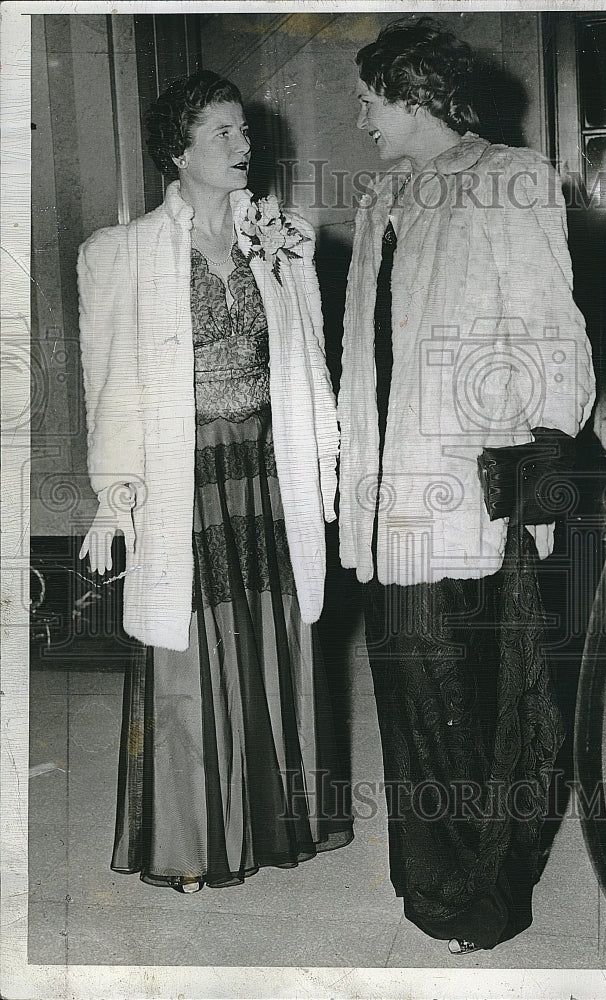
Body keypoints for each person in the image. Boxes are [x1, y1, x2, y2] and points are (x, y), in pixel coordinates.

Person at [338, 19, 595, 952]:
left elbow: (548, 325)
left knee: (479, 695)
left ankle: (485, 892)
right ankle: (436, 881)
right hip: (385, 486)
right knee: (413, 692)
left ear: (412, 97)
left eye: (371, 102)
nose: (362, 119)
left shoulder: (510, 177)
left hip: (465, 479)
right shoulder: (378, 199)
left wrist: (541, 457)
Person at [77, 70, 352, 892]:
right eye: (224, 134)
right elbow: (110, 379)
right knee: (189, 647)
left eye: (245, 131)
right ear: (178, 150)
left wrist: (328, 463)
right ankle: (194, 840)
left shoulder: (285, 240)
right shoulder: (120, 253)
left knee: (272, 631)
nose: (244, 146)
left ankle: (276, 821)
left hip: (266, 467)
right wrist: (113, 490)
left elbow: (309, 366)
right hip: (182, 470)